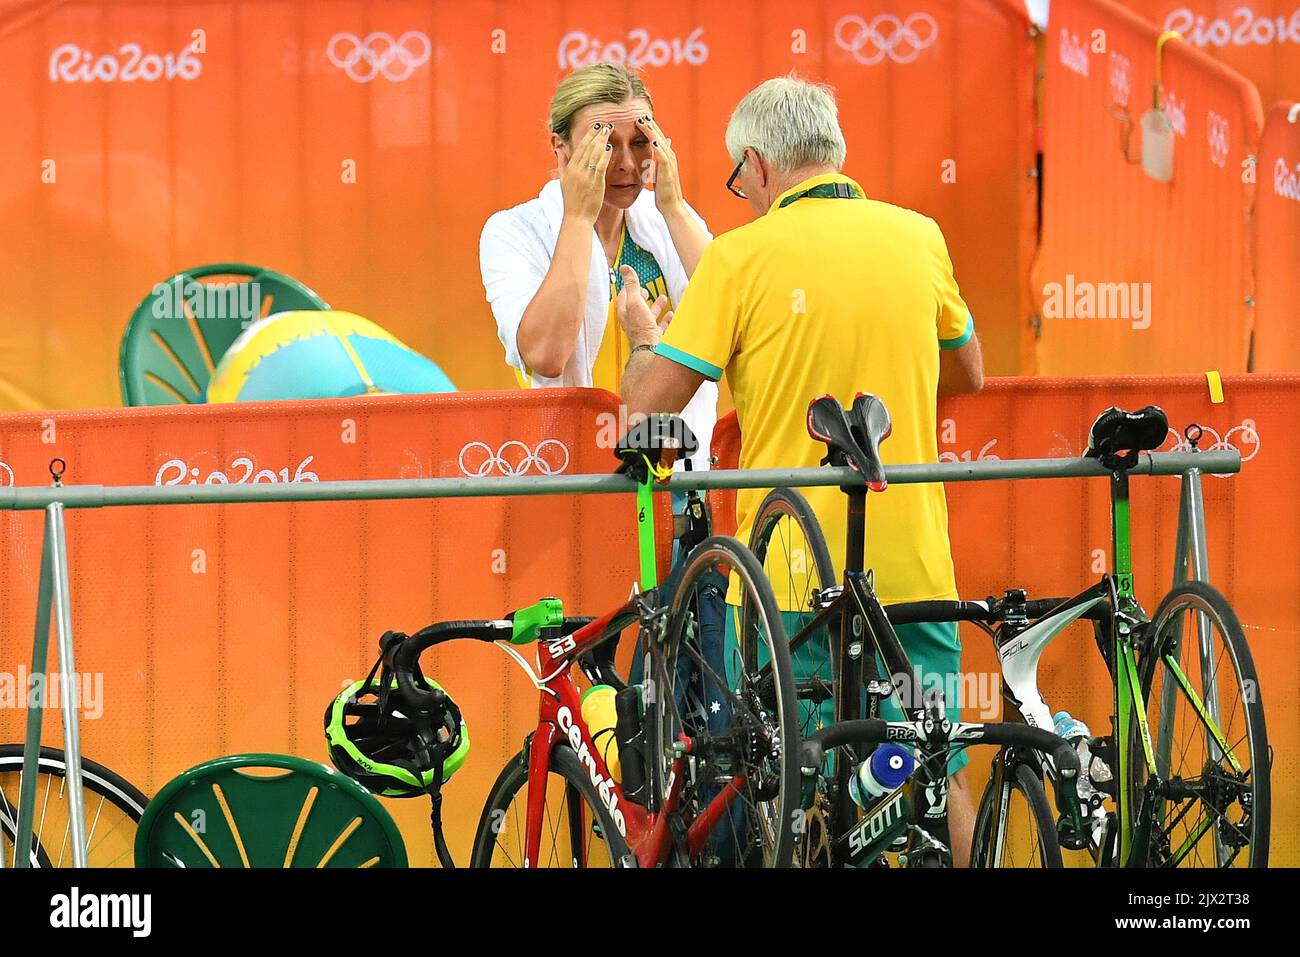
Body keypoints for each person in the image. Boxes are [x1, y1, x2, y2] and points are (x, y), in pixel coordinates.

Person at [618, 75, 985, 865]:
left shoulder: (739, 257)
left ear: (756, 163)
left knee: (797, 784)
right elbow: (968, 374)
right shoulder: (918, 236)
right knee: (938, 762)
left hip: (790, 576)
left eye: (735, 179)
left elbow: (648, 405)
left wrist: (642, 334)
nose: (739, 193)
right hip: (914, 562)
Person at [479, 62, 716, 470]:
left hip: (672, 473)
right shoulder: (514, 230)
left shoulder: (670, 221)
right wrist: (576, 219)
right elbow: (546, 355)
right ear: (562, 148)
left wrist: (674, 207)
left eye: (641, 142)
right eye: (605, 145)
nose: (626, 163)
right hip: (567, 471)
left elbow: (732, 317)